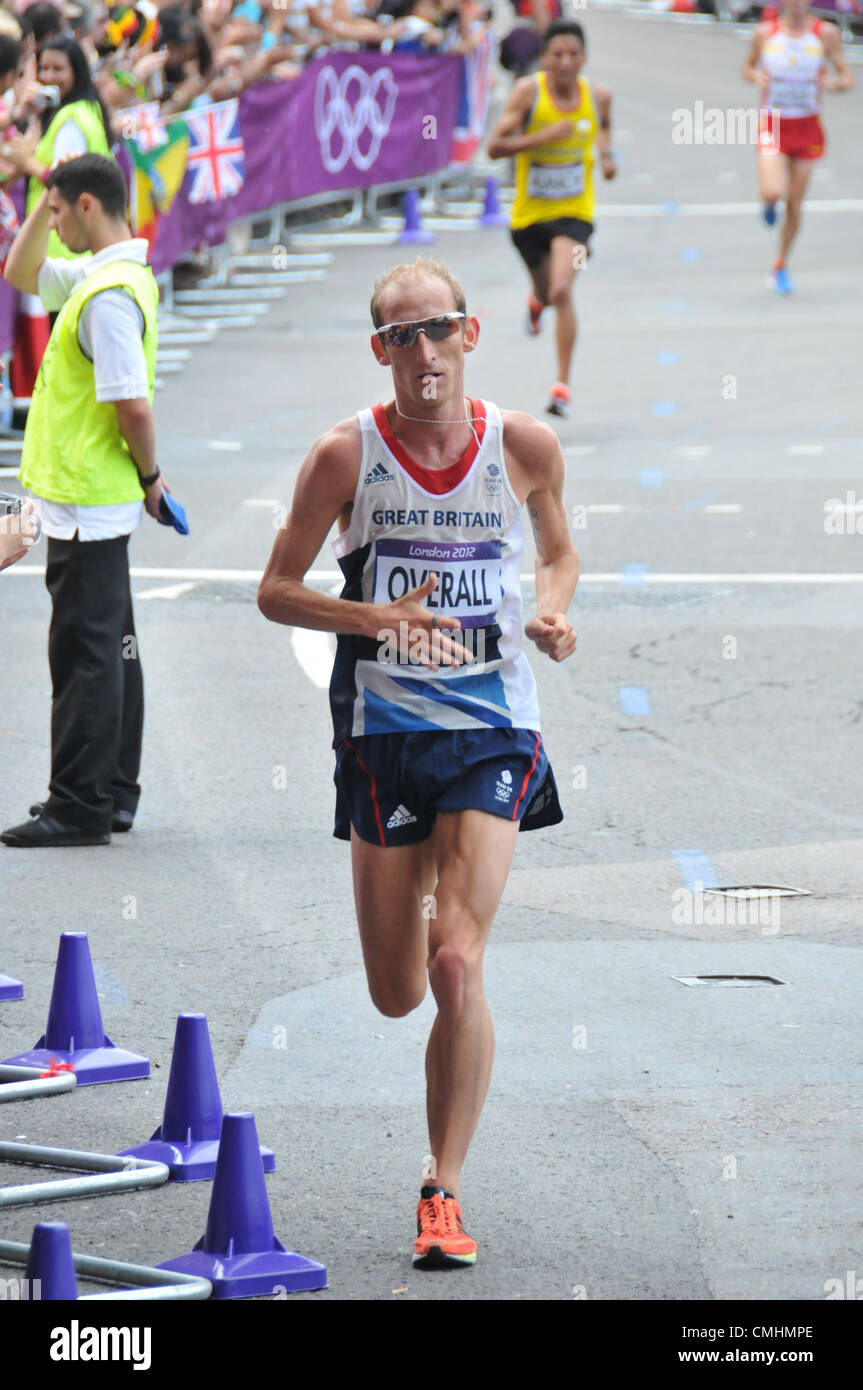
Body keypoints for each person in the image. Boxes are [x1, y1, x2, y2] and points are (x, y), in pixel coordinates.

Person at [258, 255, 578, 1267]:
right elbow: (274, 588)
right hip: (383, 737)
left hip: (492, 726)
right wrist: (371, 617)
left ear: (470, 334)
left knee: (455, 960)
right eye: (403, 334)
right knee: (395, 988)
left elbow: (558, 549)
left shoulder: (522, 443)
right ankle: (427, 939)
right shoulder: (343, 456)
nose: (424, 349)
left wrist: (554, 608)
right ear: (379, 349)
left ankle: (441, 1187)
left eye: (439, 328)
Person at [0, 152, 166, 849]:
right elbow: (20, 272)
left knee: (84, 656)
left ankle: (78, 804)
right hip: (96, 494)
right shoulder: (111, 274)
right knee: (114, 648)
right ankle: (113, 790)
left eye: (62, 210)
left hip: (86, 497)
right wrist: (45, 194)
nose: (54, 222)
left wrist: (153, 476)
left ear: (90, 207)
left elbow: (132, 403)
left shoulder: (104, 296)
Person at [487, 20, 616, 420]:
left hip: (575, 214)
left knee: (563, 289)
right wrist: (542, 137)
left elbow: (604, 128)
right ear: (544, 58)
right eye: (556, 55)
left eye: (573, 54)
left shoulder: (598, 96)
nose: (565, 62)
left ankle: (561, 387)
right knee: (546, 291)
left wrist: (608, 156)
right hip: (529, 217)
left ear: (584, 57)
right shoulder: (529, 93)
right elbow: (494, 148)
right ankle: (535, 300)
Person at [742, 0, 852, 295]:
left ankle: (780, 264)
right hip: (774, 124)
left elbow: (847, 76)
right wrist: (756, 77)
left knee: (794, 204)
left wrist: (836, 83)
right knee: (773, 192)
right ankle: (767, 201)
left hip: (807, 127)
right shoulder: (766, 33)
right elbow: (747, 67)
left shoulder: (824, 33)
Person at [0, 34, 115, 262]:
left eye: (58, 69)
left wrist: (26, 162)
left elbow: (67, 180)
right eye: (44, 68)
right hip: (66, 243)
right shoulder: (86, 108)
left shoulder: (70, 119)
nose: (49, 76)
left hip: (60, 248)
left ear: (76, 71)